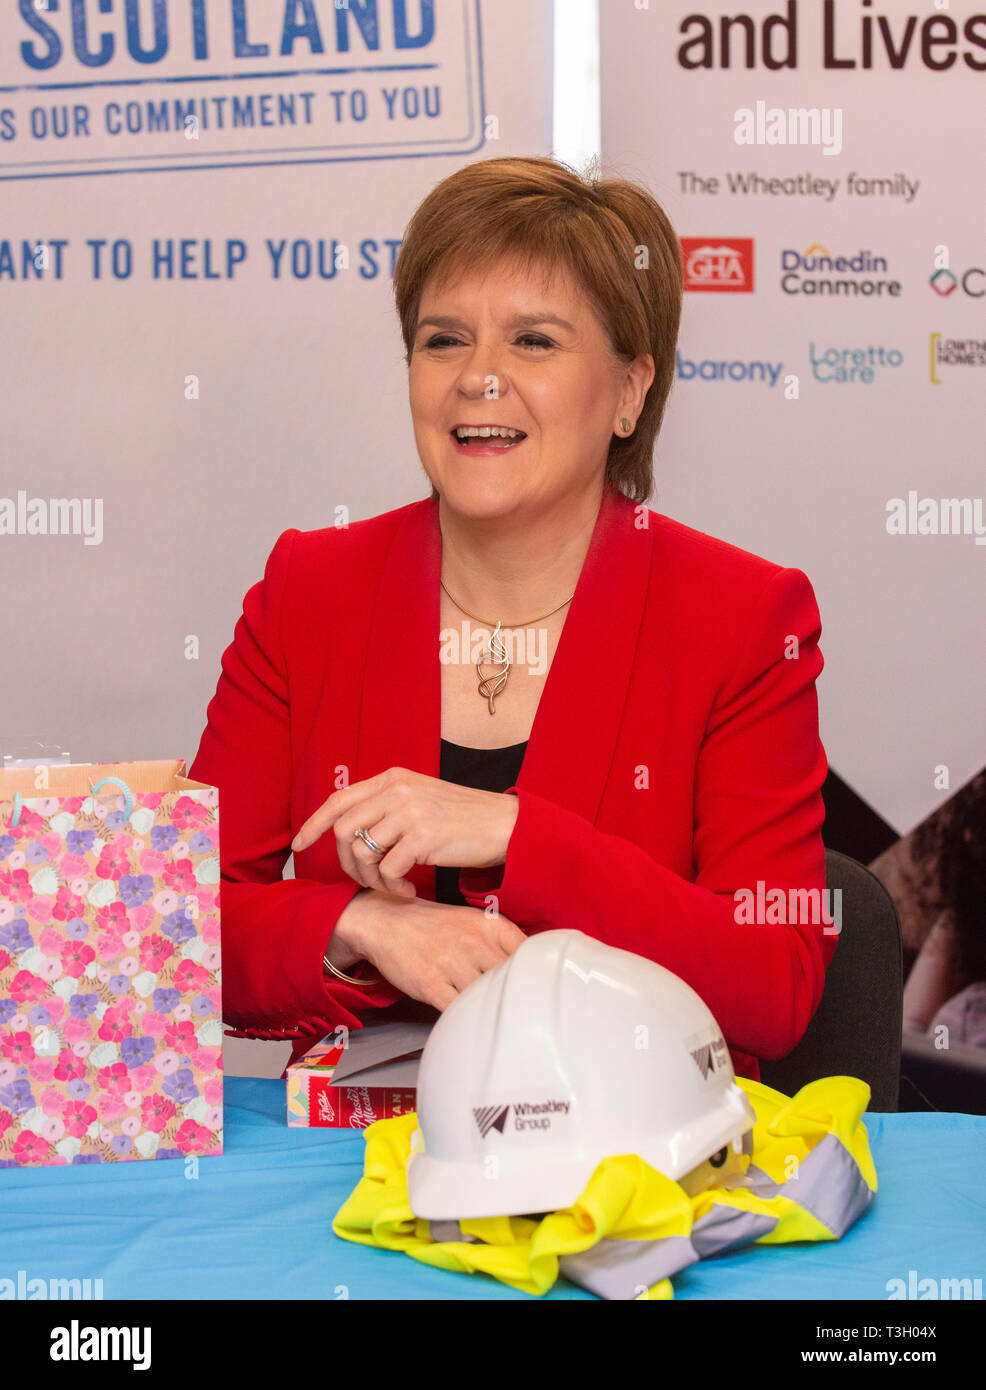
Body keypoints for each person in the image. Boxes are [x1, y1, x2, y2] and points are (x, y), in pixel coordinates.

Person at [188, 155, 832, 1080]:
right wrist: (356, 922)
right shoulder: (309, 589)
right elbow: (180, 922)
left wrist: (517, 836)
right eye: (444, 339)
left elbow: (775, 983)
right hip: (342, 1179)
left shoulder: (742, 618)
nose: (479, 381)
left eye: (533, 341)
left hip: (623, 1170)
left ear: (629, 391)